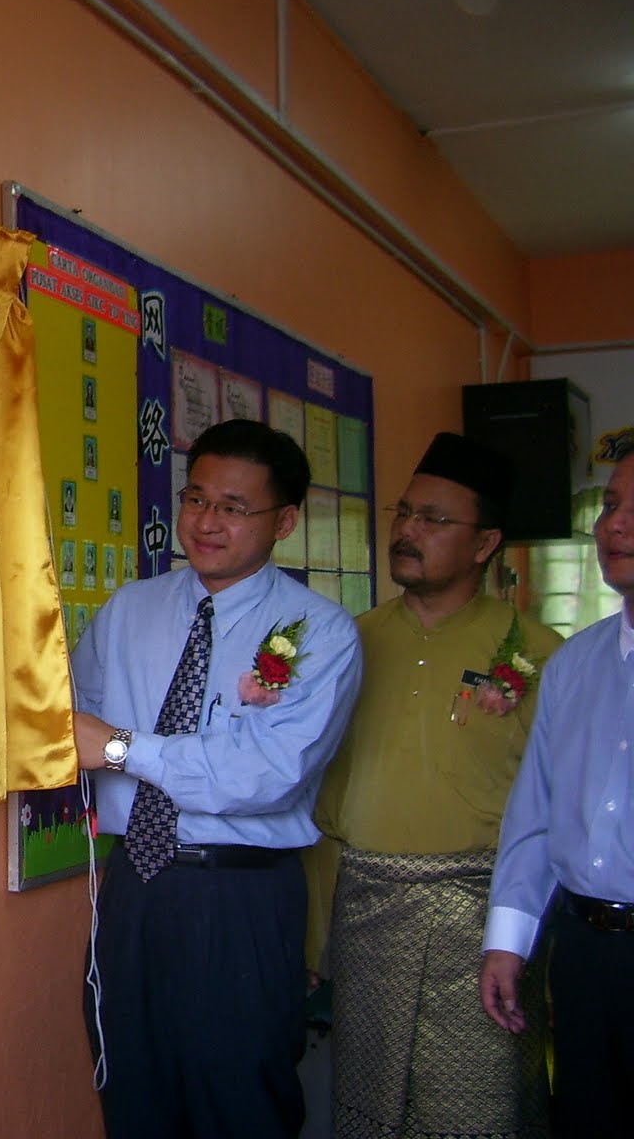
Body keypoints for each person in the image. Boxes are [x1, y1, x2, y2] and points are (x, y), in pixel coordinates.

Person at [71, 418, 363, 1138]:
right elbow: (71, 726)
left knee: (239, 1100)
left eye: (234, 507)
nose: (205, 522)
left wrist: (120, 750)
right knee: (131, 1089)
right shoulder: (129, 610)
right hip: (135, 889)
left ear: (285, 521)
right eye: (196, 498)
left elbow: (268, 775)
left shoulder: (319, 632)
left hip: (240, 897)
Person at [307, 432, 561, 1139]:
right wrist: (311, 940)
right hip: (365, 920)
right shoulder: (345, 642)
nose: (408, 531)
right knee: (367, 1107)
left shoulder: (541, 655)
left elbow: (561, 814)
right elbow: (321, 802)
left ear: (485, 544)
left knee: (479, 1113)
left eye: (434, 519)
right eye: (404, 513)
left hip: (485, 927)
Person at [481, 443, 634, 1135]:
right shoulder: (576, 662)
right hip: (585, 953)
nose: (615, 526)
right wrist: (508, 939)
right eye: (610, 506)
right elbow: (536, 811)